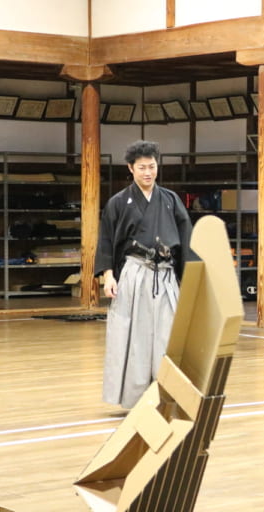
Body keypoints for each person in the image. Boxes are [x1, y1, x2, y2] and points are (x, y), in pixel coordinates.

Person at [95, 140, 193, 409]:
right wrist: (108, 275)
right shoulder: (118, 202)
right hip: (135, 272)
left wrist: (190, 281)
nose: (148, 172)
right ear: (131, 168)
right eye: (142, 168)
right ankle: (135, 398)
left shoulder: (171, 200)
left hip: (165, 274)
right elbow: (106, 240)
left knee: (168, 336)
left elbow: (186, 240)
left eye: (152, 167)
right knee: (134, 336)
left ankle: (167, 395)